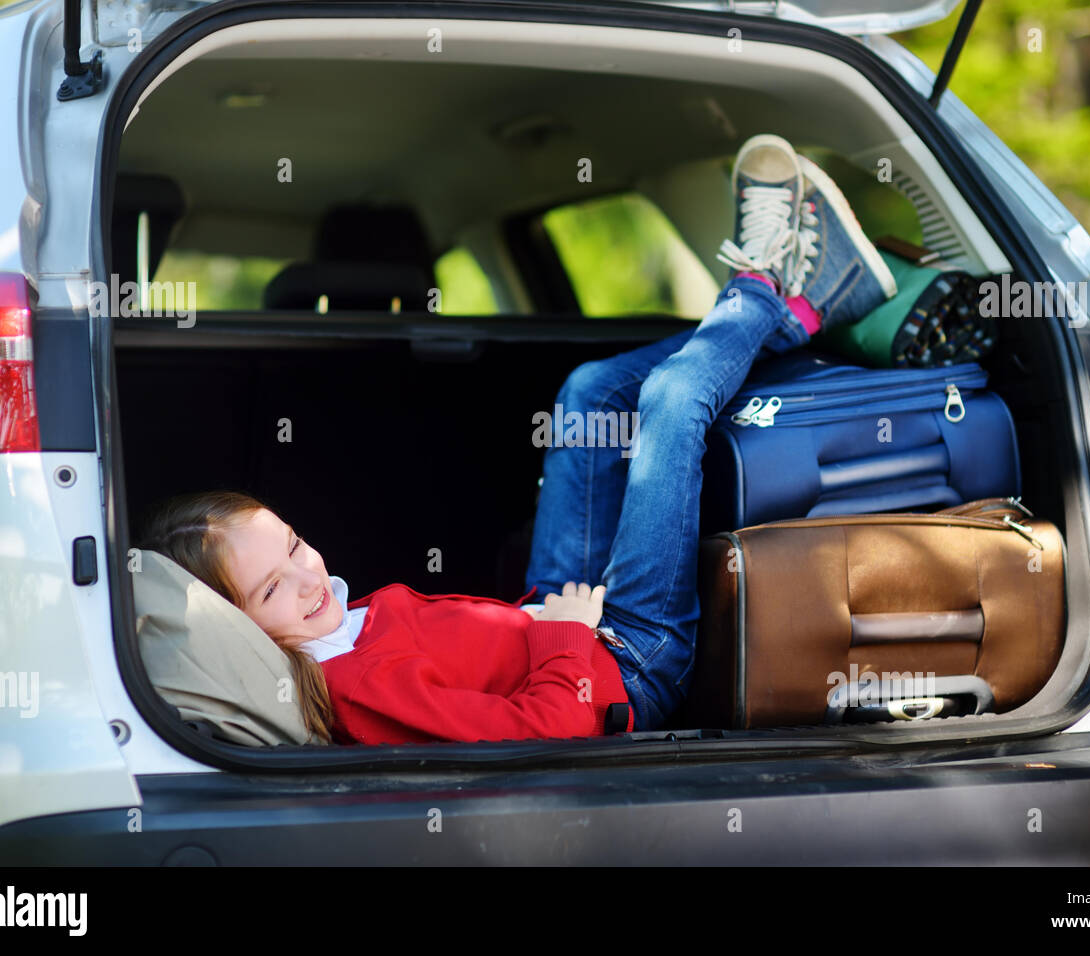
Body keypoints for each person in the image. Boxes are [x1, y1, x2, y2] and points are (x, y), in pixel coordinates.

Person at [139, 133, 897, 746]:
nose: (308, 578)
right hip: (624, 668)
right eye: (272, 588)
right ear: (240, 630)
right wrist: (569, 638)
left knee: (589, 395)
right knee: (670, 402)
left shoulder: (342, 628)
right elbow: (537, 734)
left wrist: (545, 620)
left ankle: (805, 310)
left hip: (552, 620)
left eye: (296, 547)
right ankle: (767, 284)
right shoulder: (355, 687)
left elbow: (484, 655)